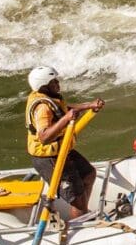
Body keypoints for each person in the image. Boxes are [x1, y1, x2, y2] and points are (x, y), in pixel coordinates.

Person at [24, 65, 105, 220]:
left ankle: (82, 213)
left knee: (89, 174)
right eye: (54, 82)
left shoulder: (48, 98)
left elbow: (63, 109)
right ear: (44, 86)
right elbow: (44, 137)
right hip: (49, 158)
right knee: (78, 200)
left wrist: (89, 105)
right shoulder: (42, 108)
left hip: (61, 149)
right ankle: (79, 219)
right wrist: (66, 119)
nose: (58, 84)